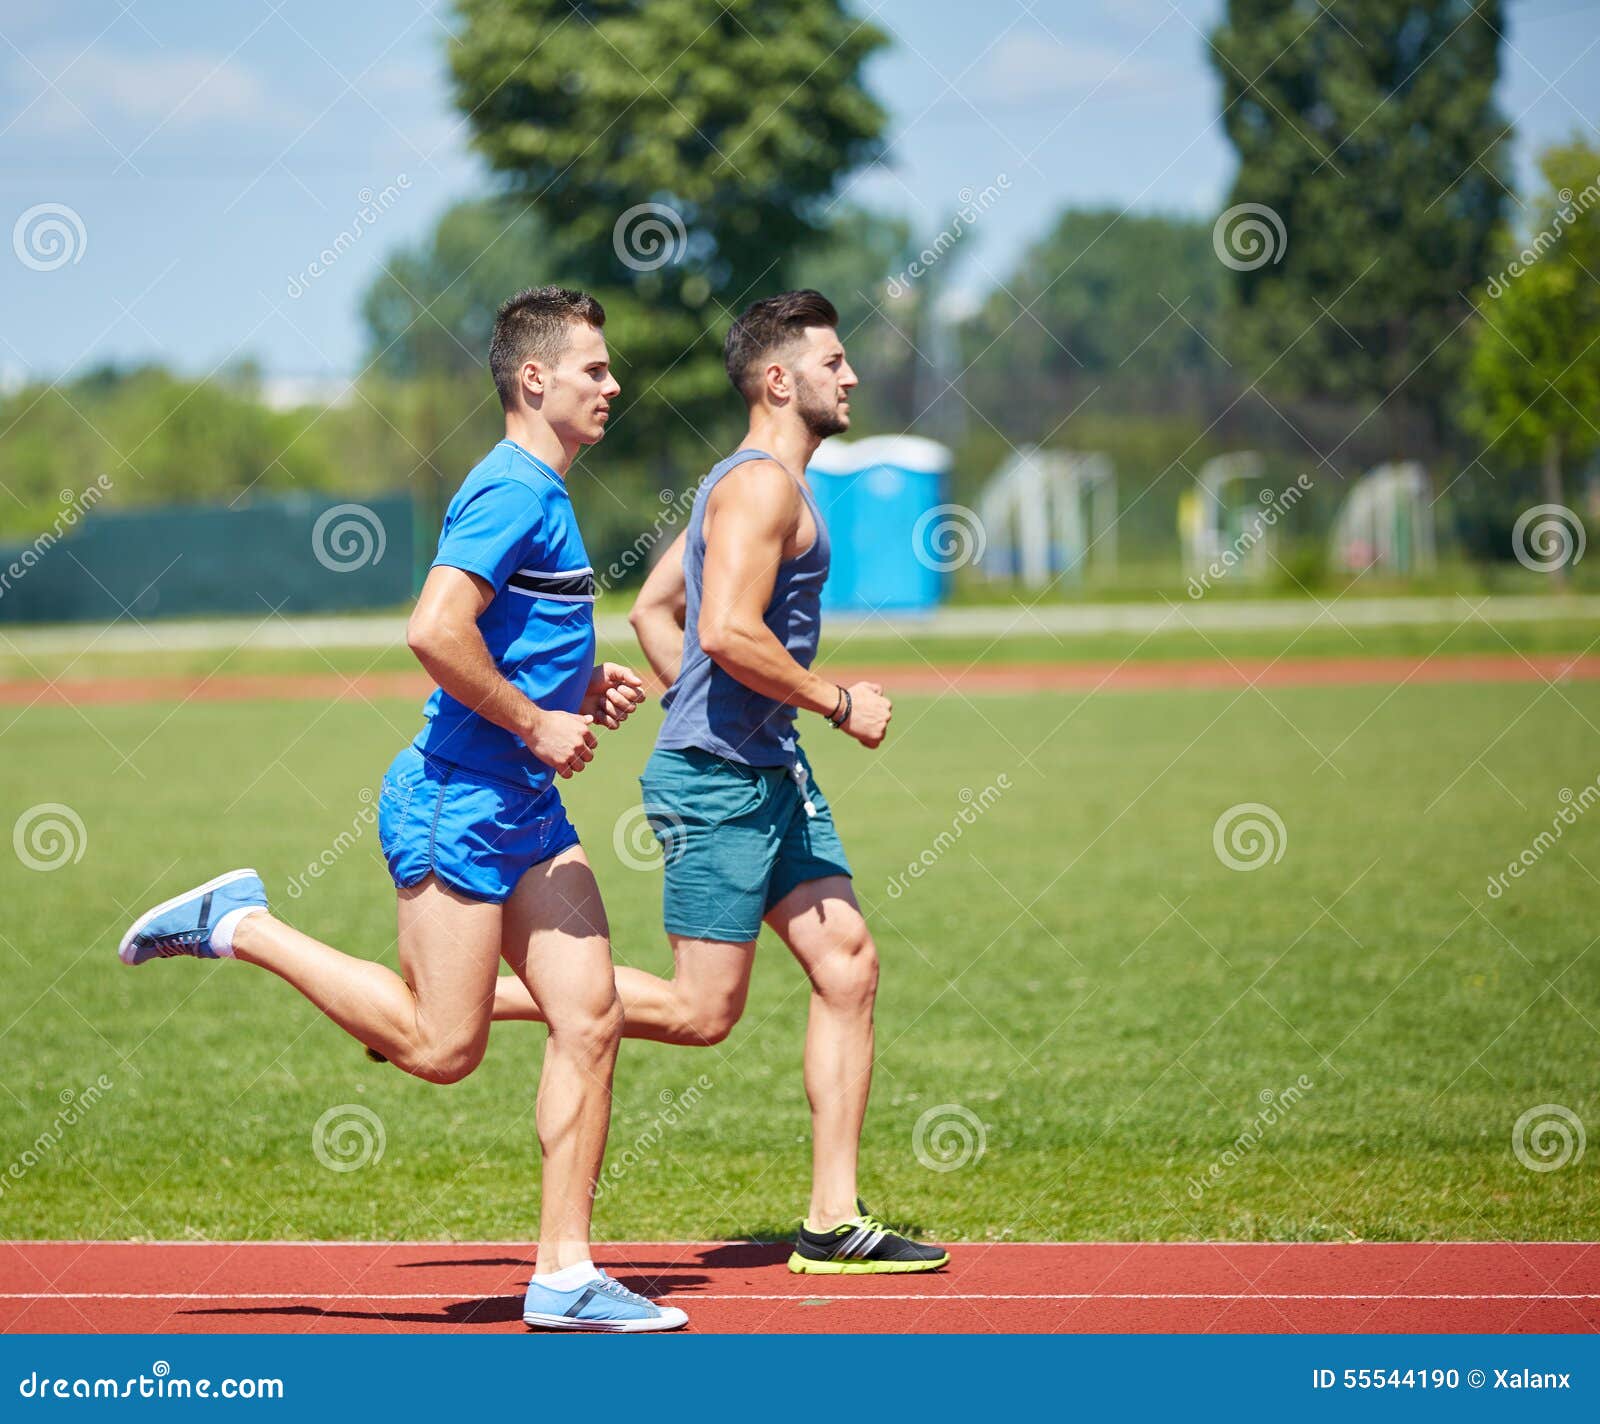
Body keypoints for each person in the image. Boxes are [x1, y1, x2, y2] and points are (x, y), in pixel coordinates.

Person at [116, 285, 688, 1333]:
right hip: (458, 802)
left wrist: (575, 688)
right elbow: (432, 628)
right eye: (593, 369)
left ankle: (564, 1273)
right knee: (439, 1046)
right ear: (534, 379)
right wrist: (530, 721)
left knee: (591, 1011)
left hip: (521, 807)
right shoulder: (512, 488)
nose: (612, 383)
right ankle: (241, 923)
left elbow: (501, 631)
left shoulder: (544, 492)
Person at [489, 289, 950, 1275]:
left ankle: (831, 1218)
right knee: (703, 1013)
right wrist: (829, 702)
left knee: (848, 965)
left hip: (761, 768)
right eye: (832, 362)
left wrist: (705, 707)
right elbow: (720, 630)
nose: (852, 375)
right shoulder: (757, 490)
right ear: (779, 379)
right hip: (722, 781)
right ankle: (478, 995)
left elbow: (658, 607)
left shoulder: (748, 483)